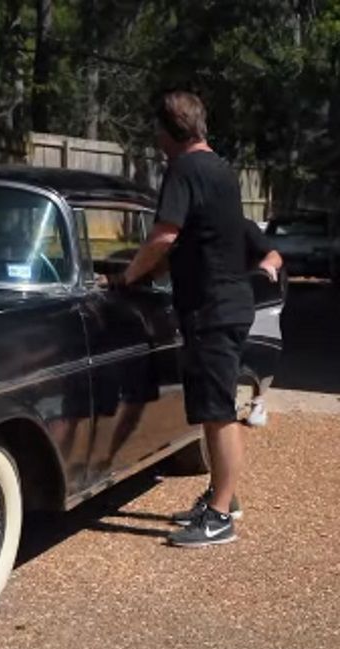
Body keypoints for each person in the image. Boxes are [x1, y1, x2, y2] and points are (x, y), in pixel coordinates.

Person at [104, 90, 257, 548]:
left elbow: (165, 234)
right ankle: (221, 497)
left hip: (212, 308)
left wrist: (130, 275)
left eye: (158, 133)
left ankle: (220, 517)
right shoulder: (222, 170)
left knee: (217, 413)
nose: (156, 142)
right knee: (216, 408)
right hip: (227, 302)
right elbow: (199, 239)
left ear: (168, 131)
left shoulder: (184, 169)